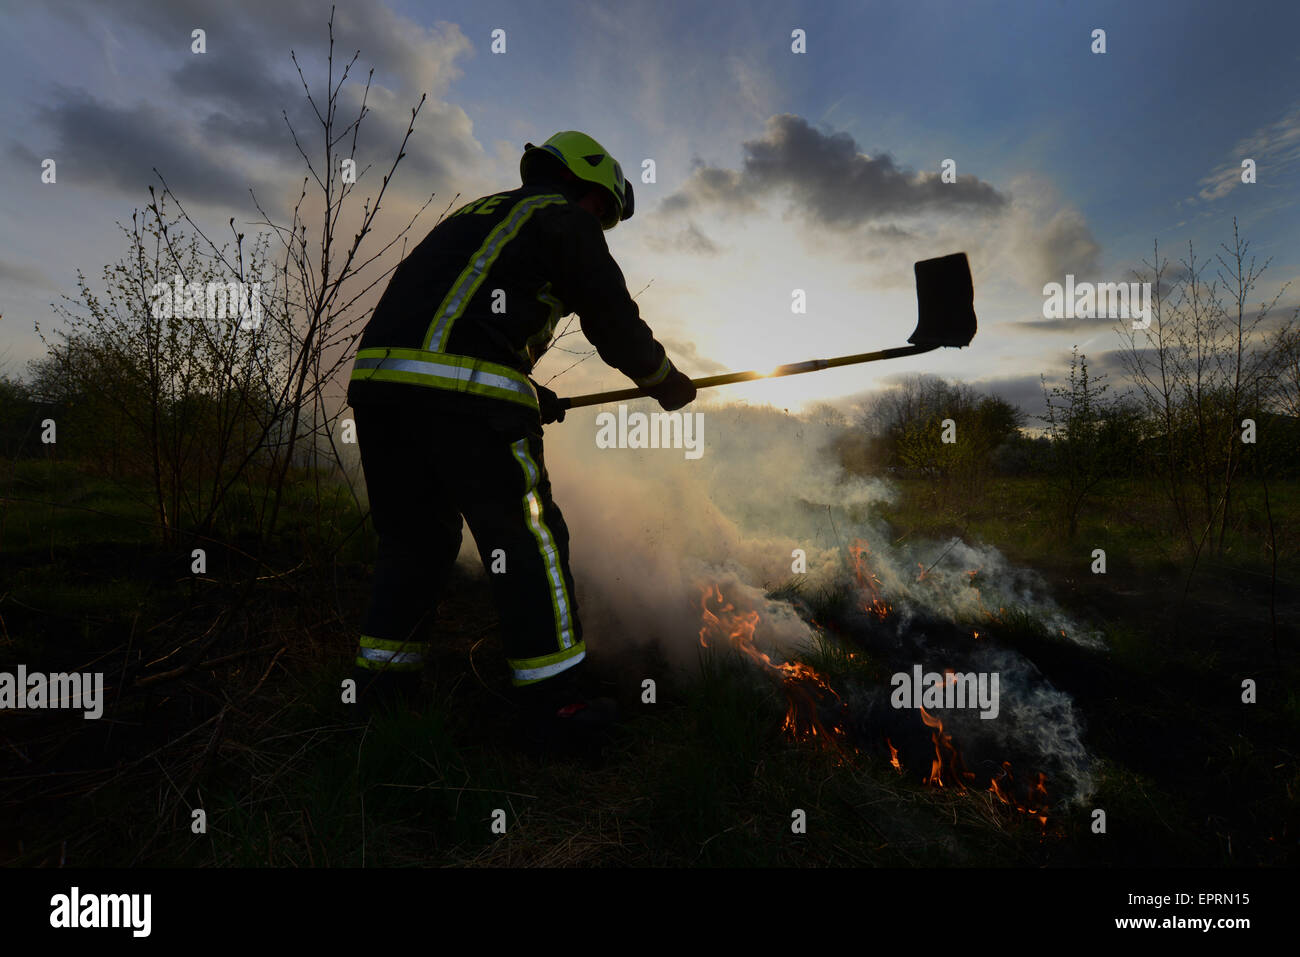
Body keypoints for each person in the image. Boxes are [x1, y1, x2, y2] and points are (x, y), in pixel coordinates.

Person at [346, 130, 696, 754]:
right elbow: (611, 319)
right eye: (604, 213)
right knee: (529, 539)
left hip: (380, 391)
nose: (600, 225)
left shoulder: (483, 213)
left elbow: (457, 322)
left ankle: (381, 694)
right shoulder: (560, 216)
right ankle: (556, 705)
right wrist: (664, 381)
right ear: (589, 186)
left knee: (413, 542)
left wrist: (531, 392)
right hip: (462, 398)